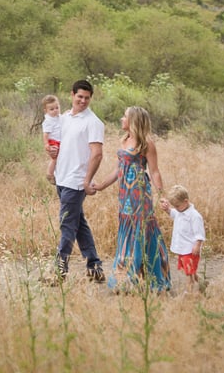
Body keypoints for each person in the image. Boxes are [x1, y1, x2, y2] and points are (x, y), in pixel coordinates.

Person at [94, 106, 171, 292]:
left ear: (134, 121)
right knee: (127, 231)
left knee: (141, 231)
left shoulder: (146, 143)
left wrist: (161, 195)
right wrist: (102, 185)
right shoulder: (124, 140)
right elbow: (117, 170)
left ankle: (145, 277)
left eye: (125, 116)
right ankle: (127, 278)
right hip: (124, 194)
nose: (121, 119)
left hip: (139, 193)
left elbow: (154, 171)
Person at [49, 80, 105, 283]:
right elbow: (56, 145)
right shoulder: (64, 118)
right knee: (78, 225)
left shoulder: (93, 122)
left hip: (76, 181)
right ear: (71, 95)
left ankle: (59, 272)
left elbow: (97, 154)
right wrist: (52, 152)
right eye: (79, 96)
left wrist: (87, 180)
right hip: (61, 178)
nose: (82, 101)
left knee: (67, 226)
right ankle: (95, 268)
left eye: (87, 98)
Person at [162, 184, 206, 294]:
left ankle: (188, 292)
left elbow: (199, 233)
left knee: (189, 274)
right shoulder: (180, 211)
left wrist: (197, 245)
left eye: (177, 206)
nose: (176, 208)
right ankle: (202, 284)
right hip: (182, 248)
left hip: (190, 250)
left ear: (186, 201)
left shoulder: (194, 216)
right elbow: (173, 213)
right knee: (190, 271)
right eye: (174, 206)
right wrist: (168, 209)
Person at [41, 94, 62, 183]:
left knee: (61, 158)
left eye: (57, 107)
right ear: (46, 110)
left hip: (60, 141)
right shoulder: (48, 121)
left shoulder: (58, 117)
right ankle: (50, 174)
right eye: (52, 109)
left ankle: (59, 173)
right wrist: (47, 145)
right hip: (53, 142)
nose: (55, 110)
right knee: (55, 158)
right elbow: (45, 134)